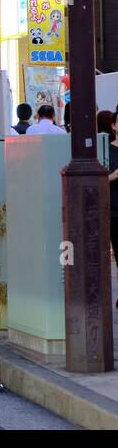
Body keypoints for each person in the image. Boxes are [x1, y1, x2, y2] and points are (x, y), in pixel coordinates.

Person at [100, 111, 118, 305]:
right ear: (113, 125)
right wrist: (111, 177)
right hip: (114, 211)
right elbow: (96, 179)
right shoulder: (106, 149)